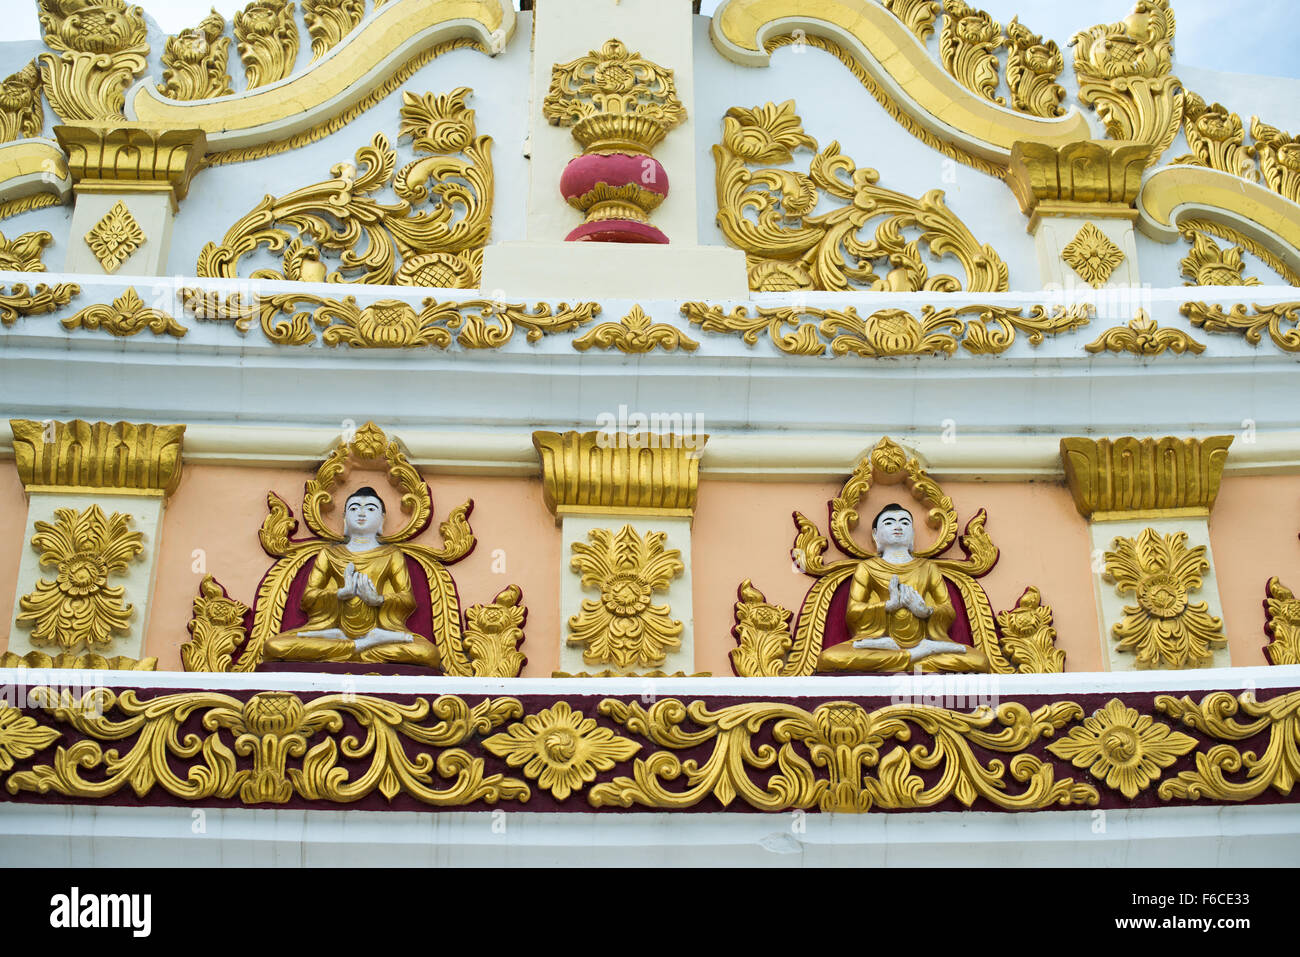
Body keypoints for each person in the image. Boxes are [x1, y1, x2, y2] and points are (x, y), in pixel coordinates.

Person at [263, 487, 441, 668]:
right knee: (273, 646)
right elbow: (307, 599)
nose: (361, 513)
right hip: (332, 631)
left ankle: (357, 646)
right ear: (345, 519)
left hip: (380, 632)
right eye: (354, 508)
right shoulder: (329, 554)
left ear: (382, 519)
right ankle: (360, 646)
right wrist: (340, 594)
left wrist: (378, 599)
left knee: (428, 653)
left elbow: (407, 599)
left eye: (371, 509)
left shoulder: (391, 554)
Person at [817, 503, 989, 673]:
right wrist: (888, 606)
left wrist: (925, 611)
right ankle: (915, 656)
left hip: (924, 640)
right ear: (876, 535)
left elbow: (948, 610)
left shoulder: (927, 568)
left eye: (905, 523)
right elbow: (854, 612)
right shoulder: (867, 568)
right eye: (889, 522)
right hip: (881, 644)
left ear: (912, 534)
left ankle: (912, 654)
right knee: (829, 658)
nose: (898, 527)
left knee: (979, 660)